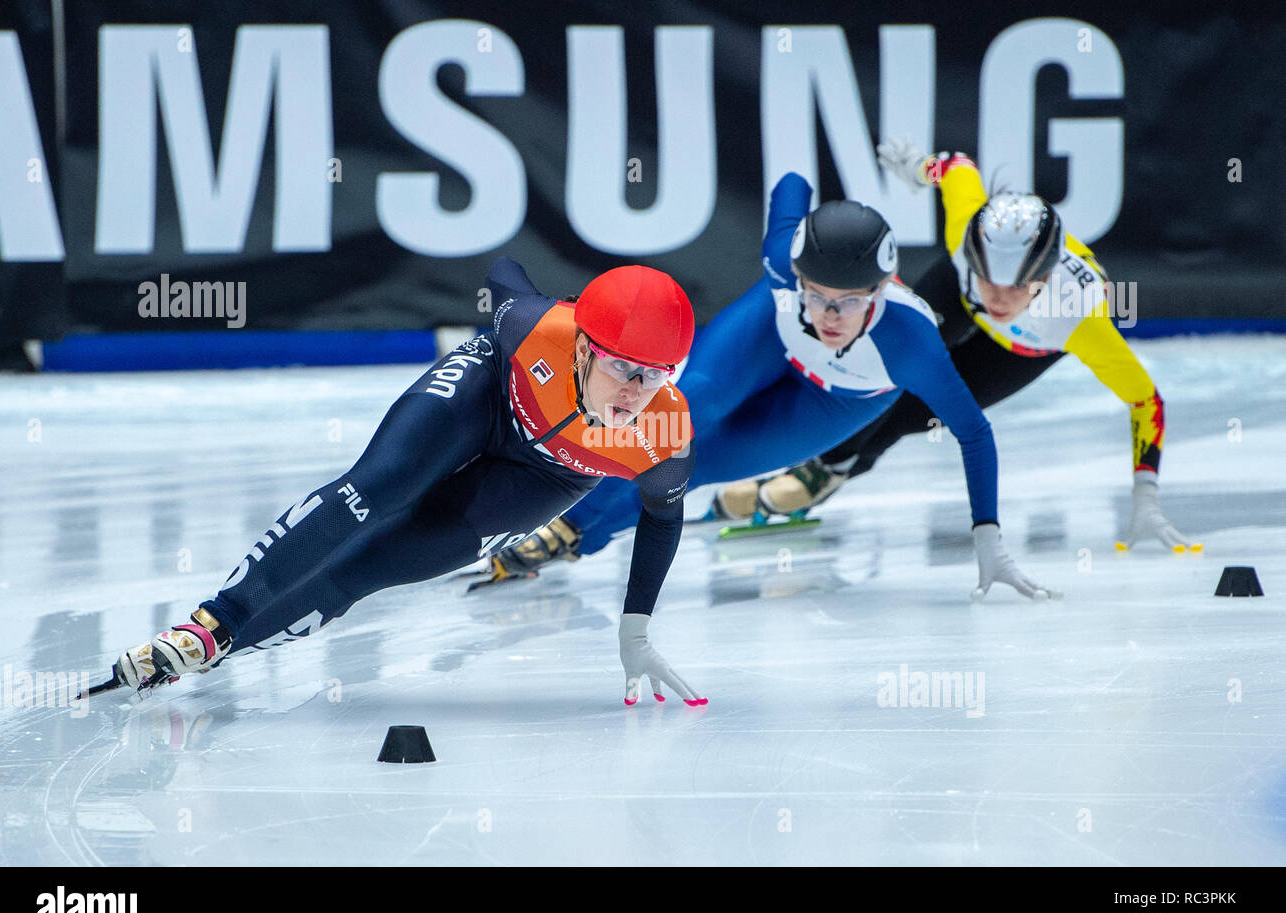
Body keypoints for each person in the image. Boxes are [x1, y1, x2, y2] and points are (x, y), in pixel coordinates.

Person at [102, 257, 708, 707]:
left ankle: (211, 650)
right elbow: (505, 271)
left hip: (547, 476)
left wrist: (637, 632)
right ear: (581, 346)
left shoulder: (663, 434)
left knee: (375, 566)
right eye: (622, 368)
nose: (634, 393)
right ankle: (215, 620)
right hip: (489, 393)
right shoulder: (533, 326)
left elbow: (663, 519)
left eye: (655, 375)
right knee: (378, 488)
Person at [495, 173, 1058, 600]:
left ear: (882, 291)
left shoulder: (912, 343)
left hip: (838, 398)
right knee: (678, 418)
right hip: (771, 333)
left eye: (851, 303)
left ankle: (570, 535)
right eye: (816, 295)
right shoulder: (781, 264)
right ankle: (551, 496)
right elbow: (791, 184)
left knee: (697, 465)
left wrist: (988, 535)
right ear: (797, 274)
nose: (831, 316)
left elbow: (975, 434)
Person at [736, 140, 1197, 554]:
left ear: (1041, 279)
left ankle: (834, 470)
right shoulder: (963, 234)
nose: (997, 298)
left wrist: (1146, 493)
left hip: (1024, 348)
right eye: (988, 277)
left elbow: (1146, 400)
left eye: (1014, 288)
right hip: (955, 293)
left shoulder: (1078, 319)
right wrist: (919, 167)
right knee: (886, 370)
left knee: (917, 412)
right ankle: (815, 450)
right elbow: (957, 167)